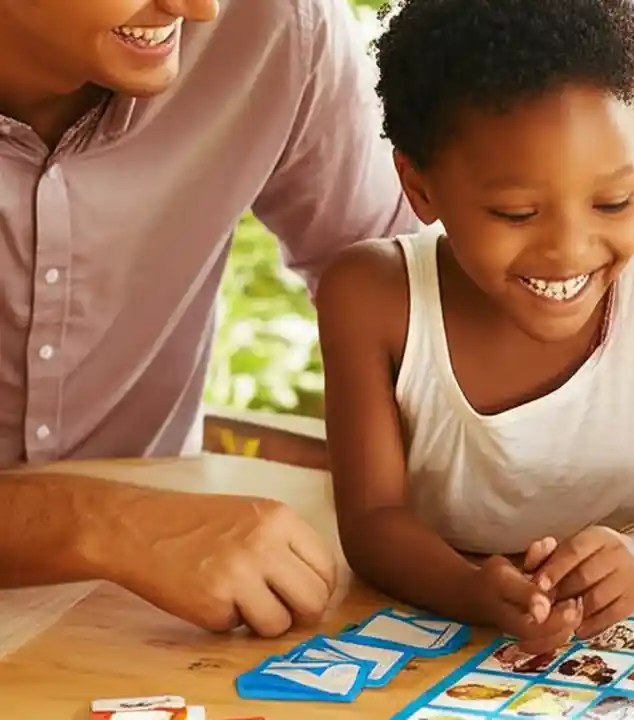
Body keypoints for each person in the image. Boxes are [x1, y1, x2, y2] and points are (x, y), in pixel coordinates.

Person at [315, 0, 634, 654]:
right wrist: (470, 590)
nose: (570, 249)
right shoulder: (374, 299)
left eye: (613, 201)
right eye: (518, 213)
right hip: (442, 644)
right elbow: (374, 522)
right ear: (420, 186)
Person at [0, 0, 417, 637]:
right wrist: (102, 524)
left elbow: (411, 304)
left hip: (144, 623)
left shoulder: (273, 24)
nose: (198, 9)